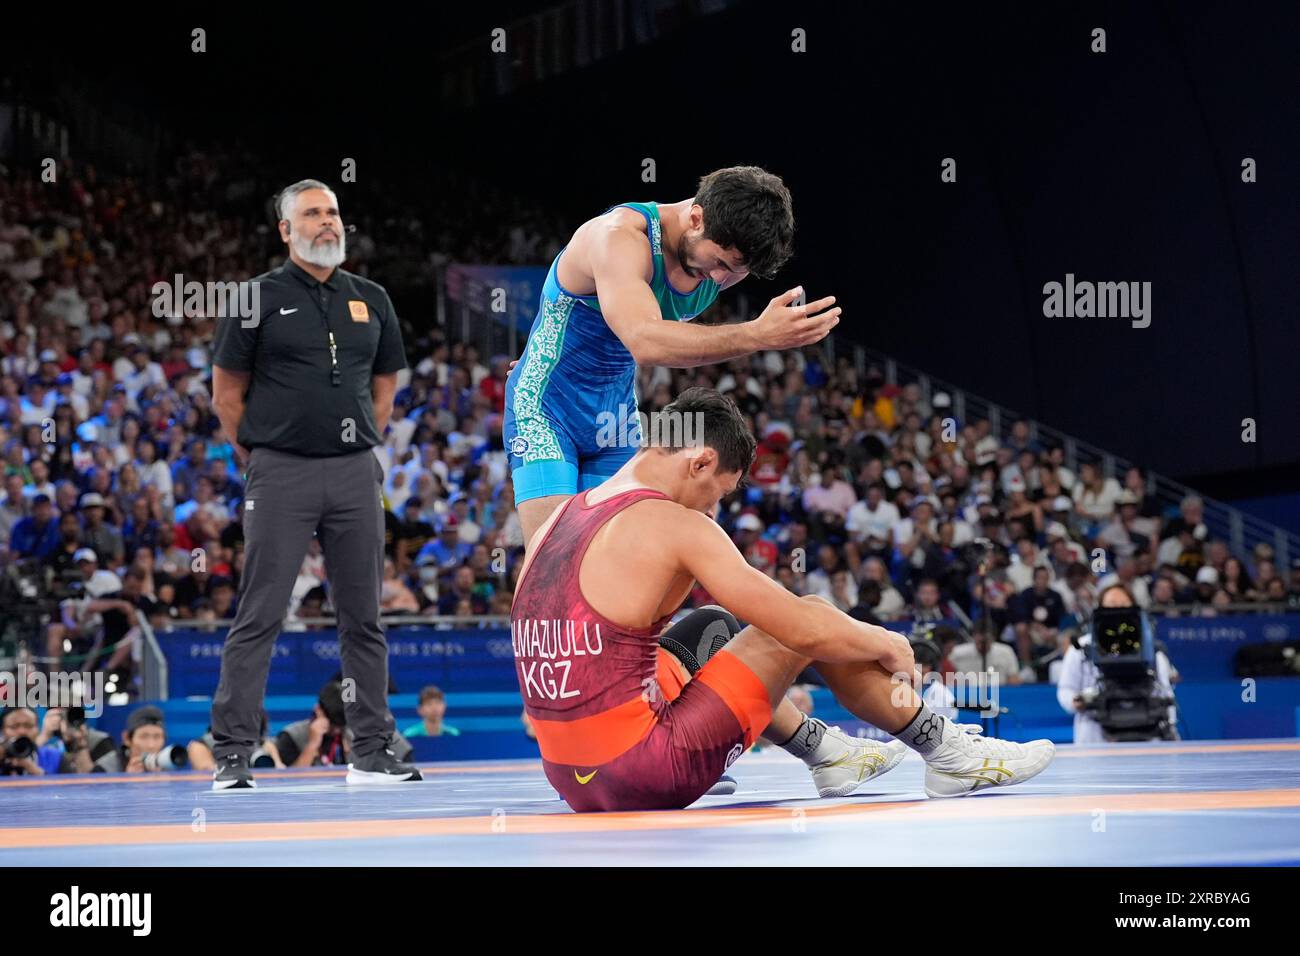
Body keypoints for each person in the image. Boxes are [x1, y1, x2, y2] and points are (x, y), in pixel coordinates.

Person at [511, 388, 1054, 812]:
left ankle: (829, 754)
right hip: (643, 771)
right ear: (699, 463)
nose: (714, 510)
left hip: (569, 776)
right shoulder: (675, 523)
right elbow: (802, 631)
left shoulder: (561, 514)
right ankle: (946, 752)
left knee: (711, 627)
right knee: (806, 616)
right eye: (719, 493)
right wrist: (889, 641)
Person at [208, 179, 417, 789]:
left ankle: (372, 750)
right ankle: (233, 753)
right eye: (312, 214)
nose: (327, 223)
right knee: (261, 613)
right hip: (280, 471)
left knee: (364, 618)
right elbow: (226, 394)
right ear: (285, 230)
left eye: (332, 212)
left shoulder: (372, 297)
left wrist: (357, 442)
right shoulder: (255, 297)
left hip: (355, 472)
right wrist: (266, 452)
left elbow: (385, 386)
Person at [504, 166, 840, 546]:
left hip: (613, 418)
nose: (718, 278)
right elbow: (645, 342)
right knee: (554, 560)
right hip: (547, 408)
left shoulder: (725, 260)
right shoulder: (619, 237)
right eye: (720, 263)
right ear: (697, 217)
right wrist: (756, 334)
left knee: (611, 564)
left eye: (732, 270)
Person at [1056, 583, 1178, 743]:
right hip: (1095, 736)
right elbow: (1065, 689)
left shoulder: (1153, 650)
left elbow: (1166, 694)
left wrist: (1171, 732)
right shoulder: (1080, 649)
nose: (1117, 611)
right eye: (1111, 605)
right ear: (1100, 609)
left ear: (1134, 608)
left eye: (1122, 605)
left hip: (1147, 735)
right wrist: (1075, 702)